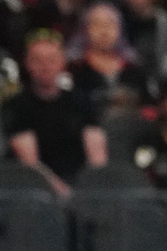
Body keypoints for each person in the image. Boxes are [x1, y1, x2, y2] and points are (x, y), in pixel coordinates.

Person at [6, 29, 109, 190]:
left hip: (81, 186)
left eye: (52, 59)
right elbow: (31, 165)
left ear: (63, 62)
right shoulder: (17, 106)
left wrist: (90, 192)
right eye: (38, 60)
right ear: (27, 63)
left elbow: (97, 158)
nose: (45, 66)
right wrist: (64, 194)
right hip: (36, 192)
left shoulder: (81, 102)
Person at [66, 1, 149, 121]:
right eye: (97, 24)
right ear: (85, 29)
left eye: (110, 24)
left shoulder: (134, 68)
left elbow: (148, 104)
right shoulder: (75, 67)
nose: (104, 31)